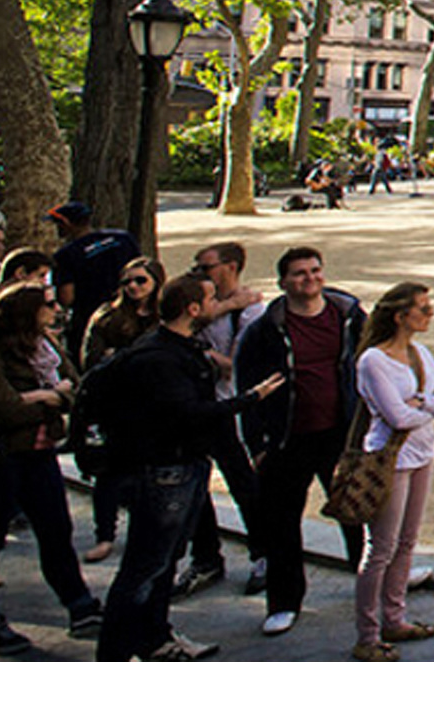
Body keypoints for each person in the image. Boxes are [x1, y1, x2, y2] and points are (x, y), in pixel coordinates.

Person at [94, 276, 283, 661]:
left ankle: (155, 639)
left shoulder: (176, 347)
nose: (219, 303)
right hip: (166, 472)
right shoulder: (161, 358)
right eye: (212, 298)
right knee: (144, 568)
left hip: (183, 468)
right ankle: (114, 653)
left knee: (161, 563)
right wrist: (251, 398)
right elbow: (190, 414)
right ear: (193, 309)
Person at [235, 246, 367, 637]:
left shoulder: (347, 316)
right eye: (299, 274)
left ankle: (369, 582)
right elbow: (248, 387)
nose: (309, 279)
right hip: (286, 438)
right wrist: (256, 443)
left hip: (338, 434)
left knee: (357, 511)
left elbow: (372, 361)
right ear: (283, 282)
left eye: (314, 271)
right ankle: (284, 601)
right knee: (281, 524)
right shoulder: (265, 330)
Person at [0, 286, 102, 652]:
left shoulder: (46, 345)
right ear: (26, 312)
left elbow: (77, 388)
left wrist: (40, 397)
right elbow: (7, 410)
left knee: (56, 531)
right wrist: (53, 398)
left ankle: (80, 606)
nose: (56, 310)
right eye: (48, 305)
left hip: (40, 453)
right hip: (2, 458)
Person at [348, 281, 434, 662]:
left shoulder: (419, 352)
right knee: (381, 547)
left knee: (408, 541)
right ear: (400, 315)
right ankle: (367, 633)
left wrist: (423, 401)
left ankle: (394, 617)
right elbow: (396, 415)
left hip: (421, 452)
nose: (430, 314)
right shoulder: (373, 360)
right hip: (389, 459)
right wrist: (430, 405)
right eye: (423, 309)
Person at [178, 240, 266, 598]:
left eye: (205, 267)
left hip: (229, 409)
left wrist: (195, 352)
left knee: (244, 484)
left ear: (230, 267)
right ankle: (205, 556)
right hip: (196, 409)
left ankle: (263, 554)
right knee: (196, 487)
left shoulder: (250, 314)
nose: (197, 273)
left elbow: (240, 366)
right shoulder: (217, 306)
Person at [76, 257, 165, 564]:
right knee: (108, 476)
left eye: (141, 280)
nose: (133, 287)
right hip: (114, 408)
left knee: (149, 477)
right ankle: (105, 536)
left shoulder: (164, 316)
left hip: (151, 409)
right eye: (128, 281)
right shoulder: (108, 315)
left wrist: (122, 356)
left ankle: (149, 536)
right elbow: (94, 360)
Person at [46, 201, 140, 366]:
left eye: (58, 224)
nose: (56, 229)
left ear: (66, 224)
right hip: (133, 312)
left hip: (90, 318)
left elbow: (66, 296)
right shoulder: (123, 238)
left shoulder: (66, 255)